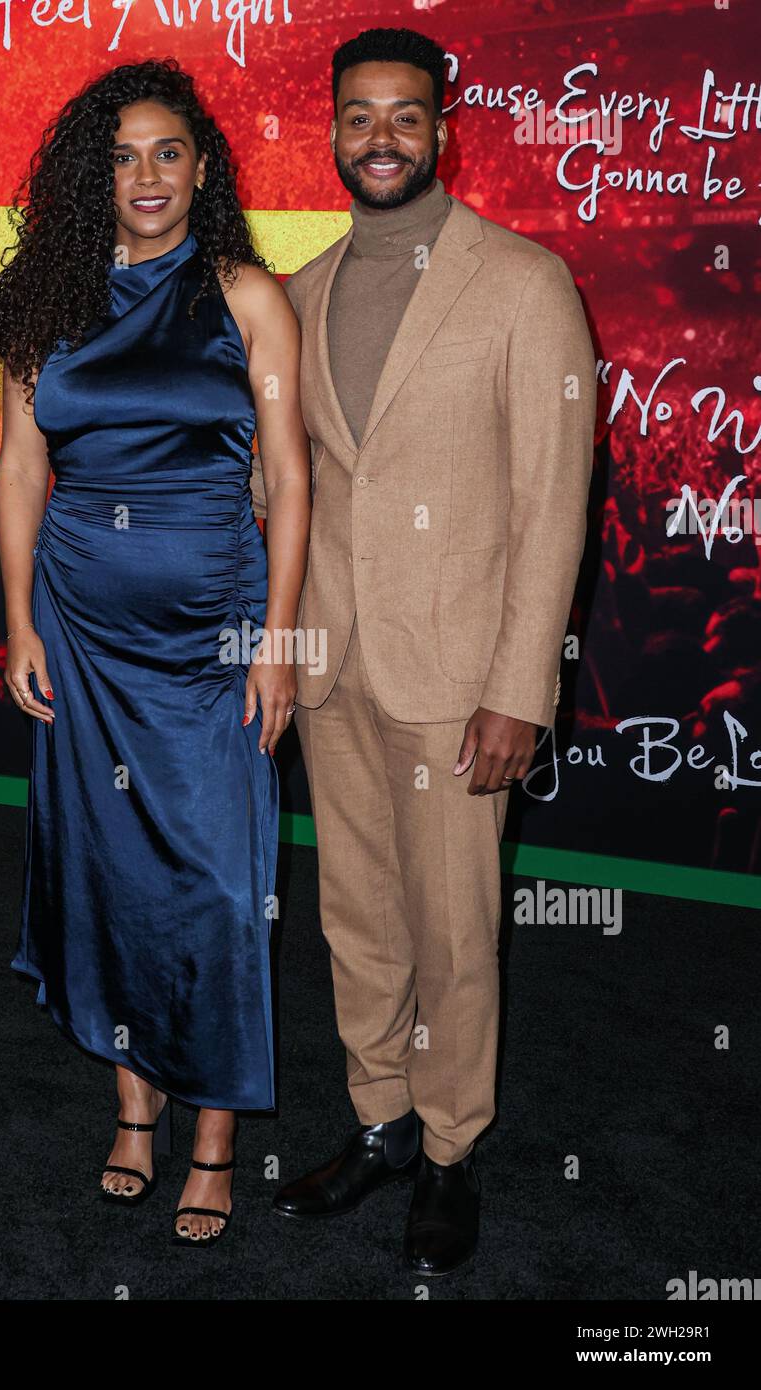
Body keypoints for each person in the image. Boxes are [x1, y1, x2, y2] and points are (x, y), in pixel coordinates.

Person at [250, 27, 596, 1275]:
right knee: (356, 918)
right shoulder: (299, 290)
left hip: (458, 684)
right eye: (359, 116)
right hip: (334, 666)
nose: (381, 136)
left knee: (455, 928)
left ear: (445, 130)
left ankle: (452, 1150)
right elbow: (278, 494)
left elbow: (554, 504)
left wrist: (520, 689)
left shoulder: (523, 282)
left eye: (406, 115)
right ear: (331, 130)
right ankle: (382, 1120)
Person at [0, 58, 311, 1247]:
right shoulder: (40, 299)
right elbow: (21, 470)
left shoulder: (248, 296)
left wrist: (278, 645)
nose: (148, 174)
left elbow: (292, 478)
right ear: (91, 176)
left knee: (221, 883)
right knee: (105, 871)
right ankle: (133, 1109)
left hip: (214, 635)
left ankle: (215, 1131)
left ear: (203, 167)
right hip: (79, 621)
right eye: (122, 155)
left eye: (169, 151)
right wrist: (18, 619)